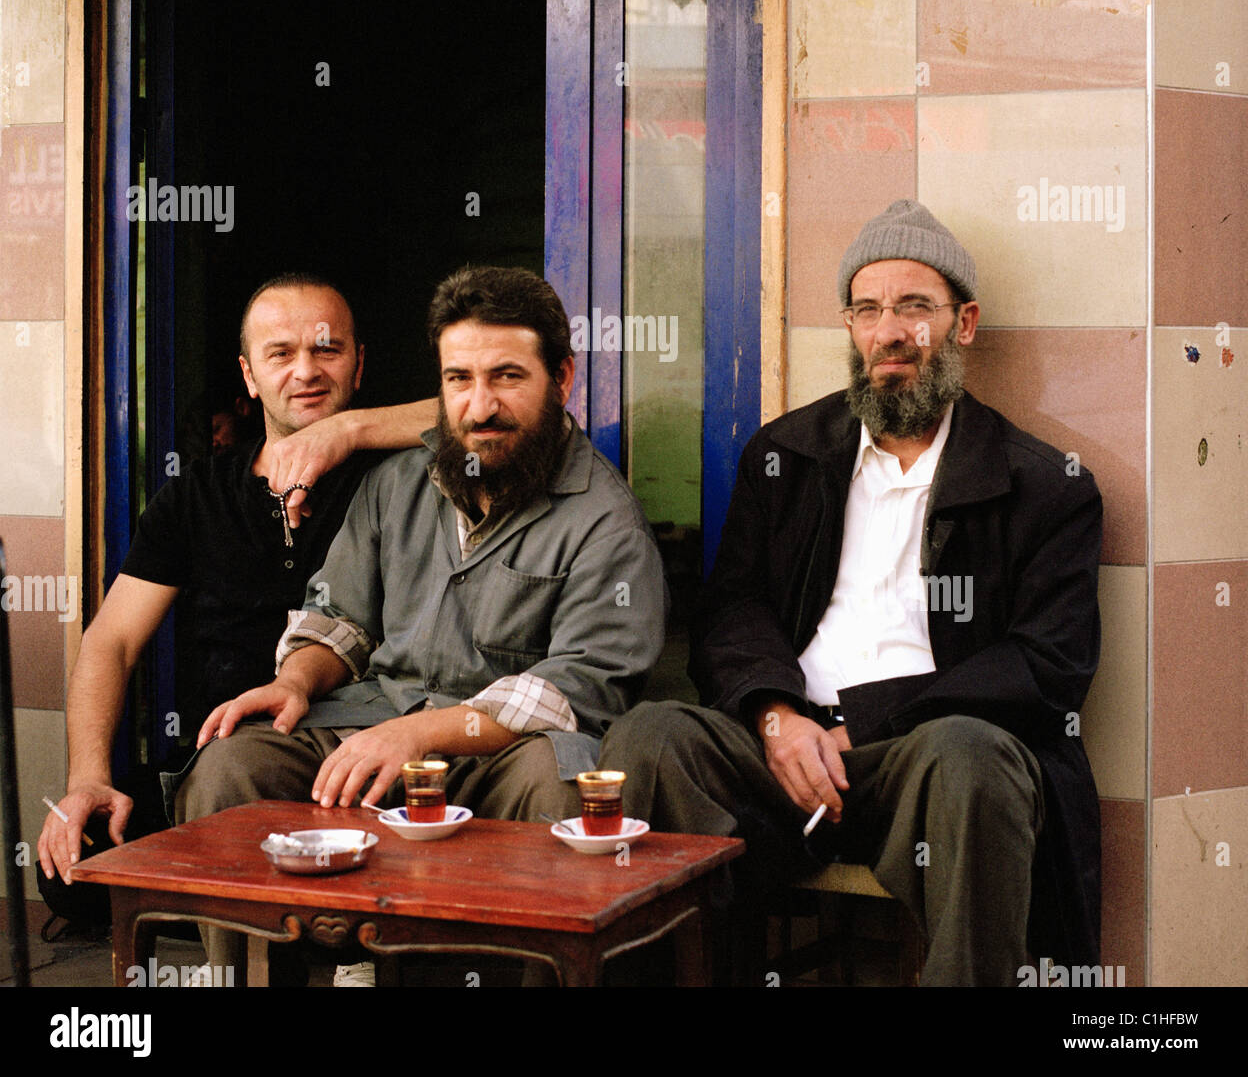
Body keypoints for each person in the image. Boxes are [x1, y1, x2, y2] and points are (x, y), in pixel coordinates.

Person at [602, 200, 1102, 986]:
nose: (889, 332)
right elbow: (732, 610)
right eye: (867, 310)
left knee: (973, 757)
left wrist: (861, 725)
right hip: (785, 756)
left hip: (920, 759)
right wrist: (777, 718)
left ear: (963, 323)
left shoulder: (1042, 485)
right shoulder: (785, 455)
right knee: (650, 738)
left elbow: (1048, 665)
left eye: (913, 308)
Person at [182, 266, 668, 975]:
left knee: (558, 783)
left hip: (496, 759)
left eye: (506, 377)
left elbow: (579, 686)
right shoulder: (398, 483)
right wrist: (296, 680)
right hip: (372, 722)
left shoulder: (605, 521)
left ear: (562, 378)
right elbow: (339, 616)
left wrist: (417, 733)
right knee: (230, 766)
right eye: (458, 379)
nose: (480, 405)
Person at [38, 273, 437, 887]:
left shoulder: (402, 476)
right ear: (249, 376)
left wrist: (348, 430)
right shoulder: (197, 493)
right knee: (80, 863)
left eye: (327, 350)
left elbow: (504, 412)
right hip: (231, 756)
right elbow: (110, 641)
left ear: (360, 366)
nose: (306, 371)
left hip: (372, 745)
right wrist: (87, 778)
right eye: (281, 354)